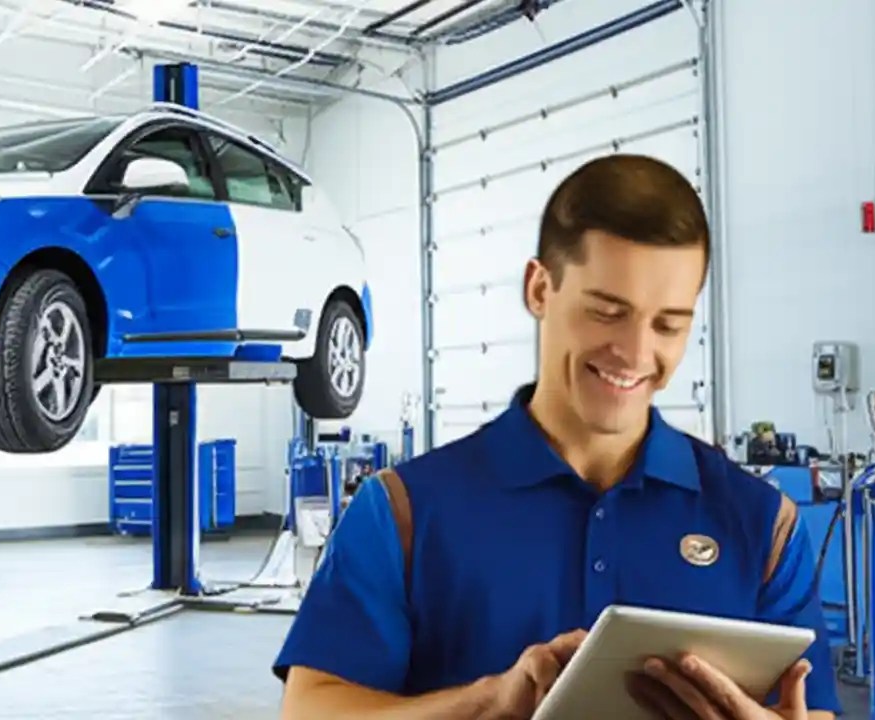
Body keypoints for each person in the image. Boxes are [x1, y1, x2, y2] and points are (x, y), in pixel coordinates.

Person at [272, 154, 841, 720]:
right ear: (540, 289)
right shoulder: (404, 514)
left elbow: (813, 712)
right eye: (607, 311)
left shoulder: (762, 524)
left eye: (668, 324)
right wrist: (491, 702)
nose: (637, 354)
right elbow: (310, 709)